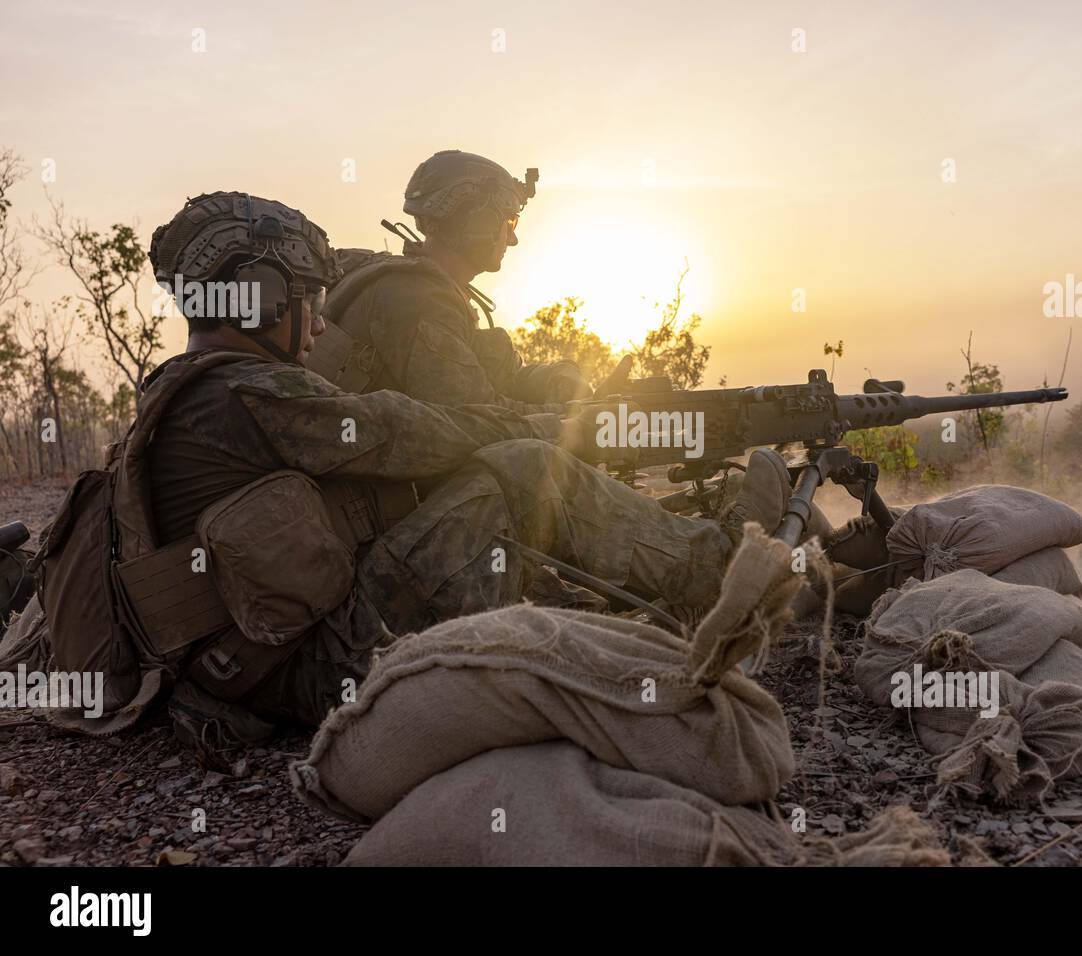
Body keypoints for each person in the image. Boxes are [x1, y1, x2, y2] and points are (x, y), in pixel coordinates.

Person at [121, 190, 792, 738]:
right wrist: (538, 427)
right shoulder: (247, 391)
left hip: (251, 662)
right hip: (315, 667)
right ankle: (718, 571)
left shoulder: (189, 387)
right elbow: (402, 432)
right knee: (524, 470)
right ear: (260, 295)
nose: (321, 326)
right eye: (309, 301)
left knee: (471, 484)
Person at [305, 149, 623, 411]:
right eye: (509, 221)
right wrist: (575, 423)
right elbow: (476, 418)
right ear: (478, 220)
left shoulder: (424, 288)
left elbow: (495, 376)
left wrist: (554, 379)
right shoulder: (418, 299)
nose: (512, 239)